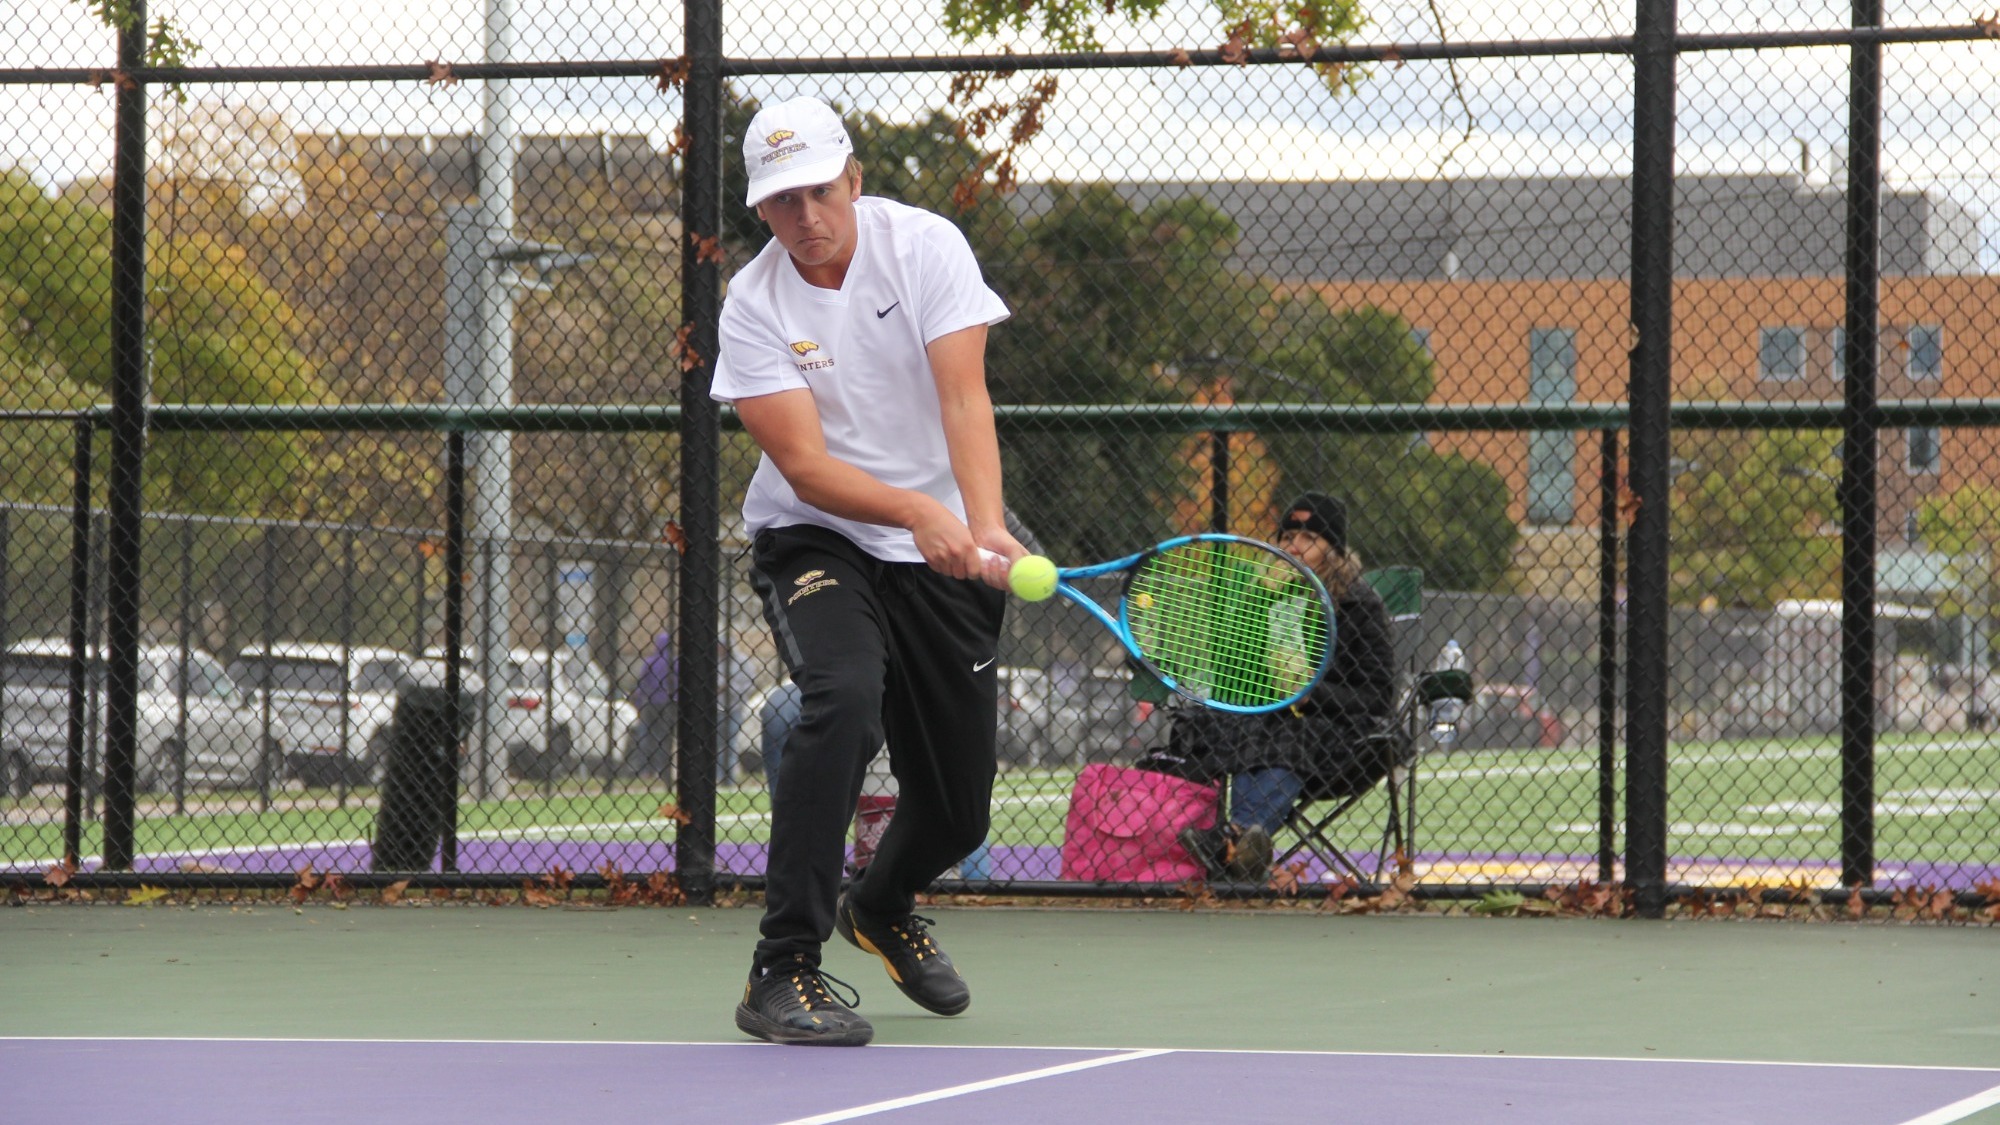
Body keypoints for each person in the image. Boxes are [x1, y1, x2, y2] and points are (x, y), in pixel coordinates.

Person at [710, 95, 1022, 1048]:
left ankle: (881, 901)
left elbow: (963, 397)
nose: (804, 216)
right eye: (780, 201)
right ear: (760, 212)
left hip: (939, 549)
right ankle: (783, 966)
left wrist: (983, 523)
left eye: (818, 190)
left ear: (853, 177)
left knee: (960, 811)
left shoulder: (925, 247)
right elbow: (804, 467)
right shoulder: (753, 304)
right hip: (818, 537)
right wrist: (920, 512)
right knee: (841, 697)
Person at [1169, 492, 1398, 883]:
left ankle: (1230, 844)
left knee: (1286, 737)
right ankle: (1239, 849)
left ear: (1334, 551)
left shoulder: (1358, 603)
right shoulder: (1260, 595)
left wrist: (1315, 695)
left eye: (1309, 539)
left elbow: (1379, 696)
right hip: (1263, 720)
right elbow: (1231, 670)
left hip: (1338, 730)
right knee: (1222, 725)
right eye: (1287, 537)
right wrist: (1262, 599)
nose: (1294, 547)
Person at [630, 631, 677, 783]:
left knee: (647, 736)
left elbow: (642, 683)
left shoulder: (650, 662)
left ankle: (646, 770)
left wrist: (639, 701)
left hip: (650, 703)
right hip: (668, 703)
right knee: (665, 737)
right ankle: (663, 770)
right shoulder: (675, 662)